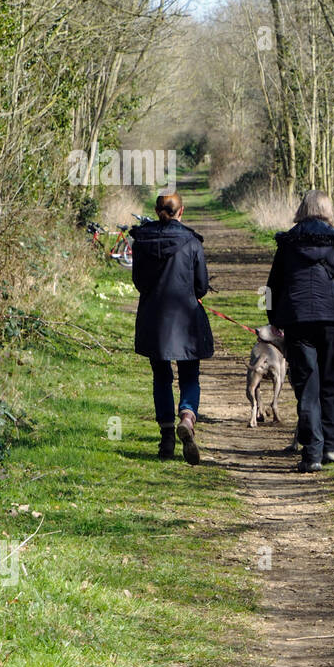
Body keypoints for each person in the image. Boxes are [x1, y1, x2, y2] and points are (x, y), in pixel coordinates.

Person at [264, 190, 334, 473]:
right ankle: (333, 447)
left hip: (297, 320)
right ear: (327, 210)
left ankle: (312, 454)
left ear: (301, 209)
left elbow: (270, 286)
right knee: (331, 384)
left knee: (307, 387)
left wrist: (273, 317)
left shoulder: (287, 243)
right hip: (333, 321)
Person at [130, 192, 214, 465]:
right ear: (182, 211)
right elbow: (201, 285)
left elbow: (140, 283)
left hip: (154, 319)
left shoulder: (142, 241)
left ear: (156, 211)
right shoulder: (191, 242)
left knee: (161, 377)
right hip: (186, 319)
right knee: (190, 375)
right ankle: (188, 417)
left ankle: (166, 436)